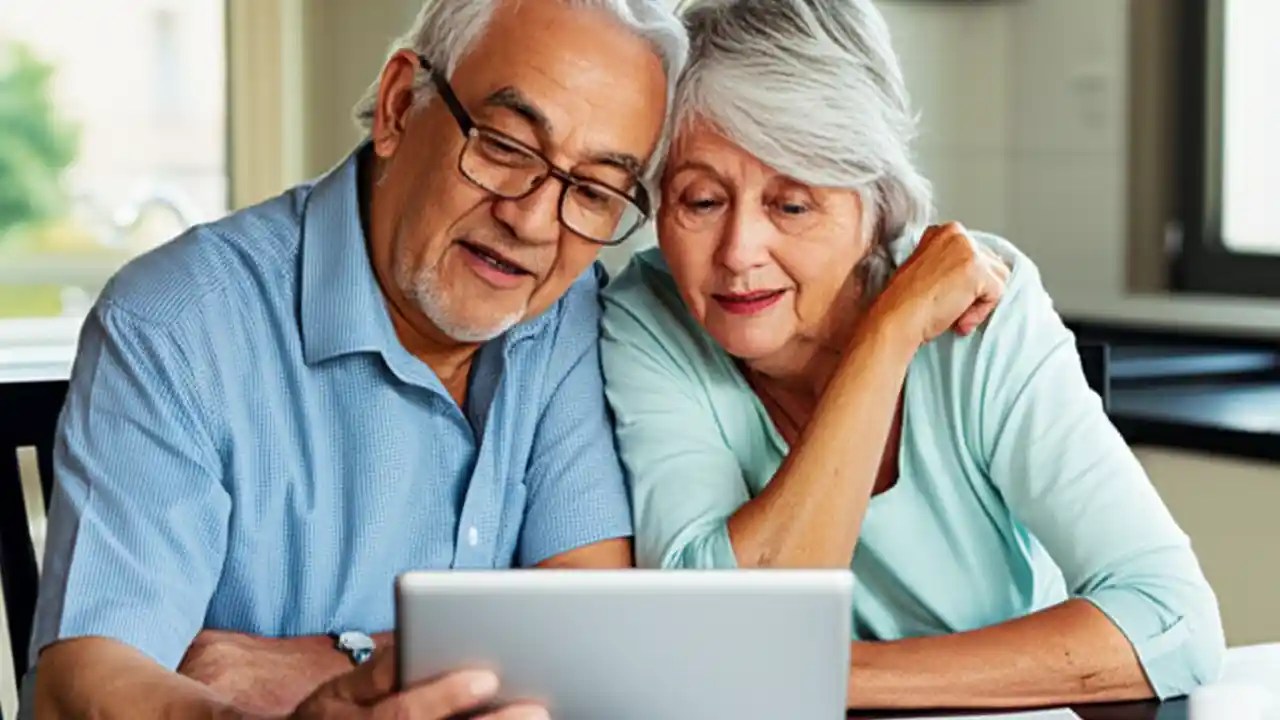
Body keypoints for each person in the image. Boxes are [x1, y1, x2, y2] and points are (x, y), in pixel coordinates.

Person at [22, 0, 686, 717]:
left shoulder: (568, 312)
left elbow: (585, 634)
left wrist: (330, 661)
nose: (530, 221)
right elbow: (83, 680)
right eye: (505, 146)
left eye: (592, 191)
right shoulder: (177, 321)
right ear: (399, 106)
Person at [601, 0, 1224, 710]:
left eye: (792, 206)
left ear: (876, 205)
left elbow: (1173, 622)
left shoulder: (979, 306)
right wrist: (885, 341)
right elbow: (710, 630)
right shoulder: (648, 317)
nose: (739, 252)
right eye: (701, 201)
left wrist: (835, 675)